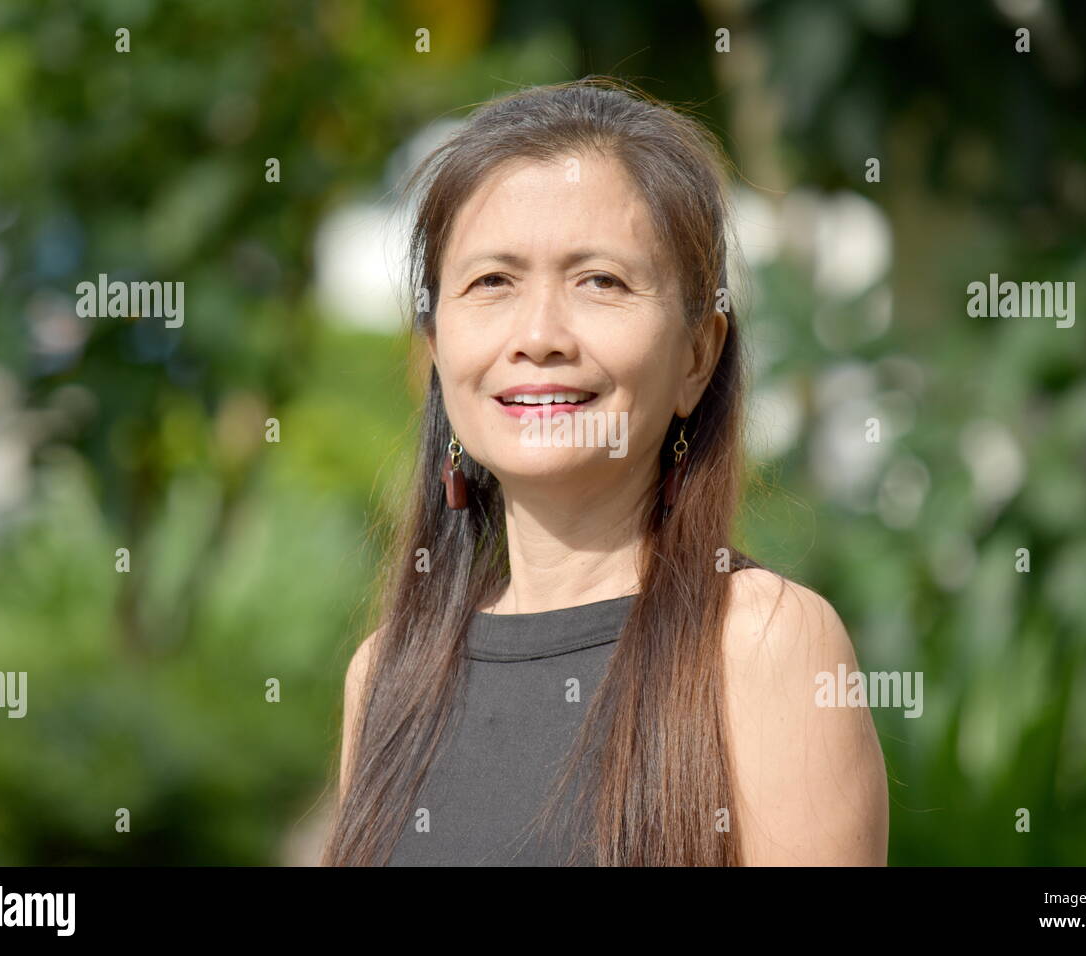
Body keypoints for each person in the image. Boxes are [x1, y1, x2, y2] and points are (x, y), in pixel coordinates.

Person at [321, 77, 888, 866]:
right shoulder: (387, 677)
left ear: (699, 353)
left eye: (601, 281)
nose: (541, 334)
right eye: (492, 282)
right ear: (436, 343)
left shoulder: (762, 646)